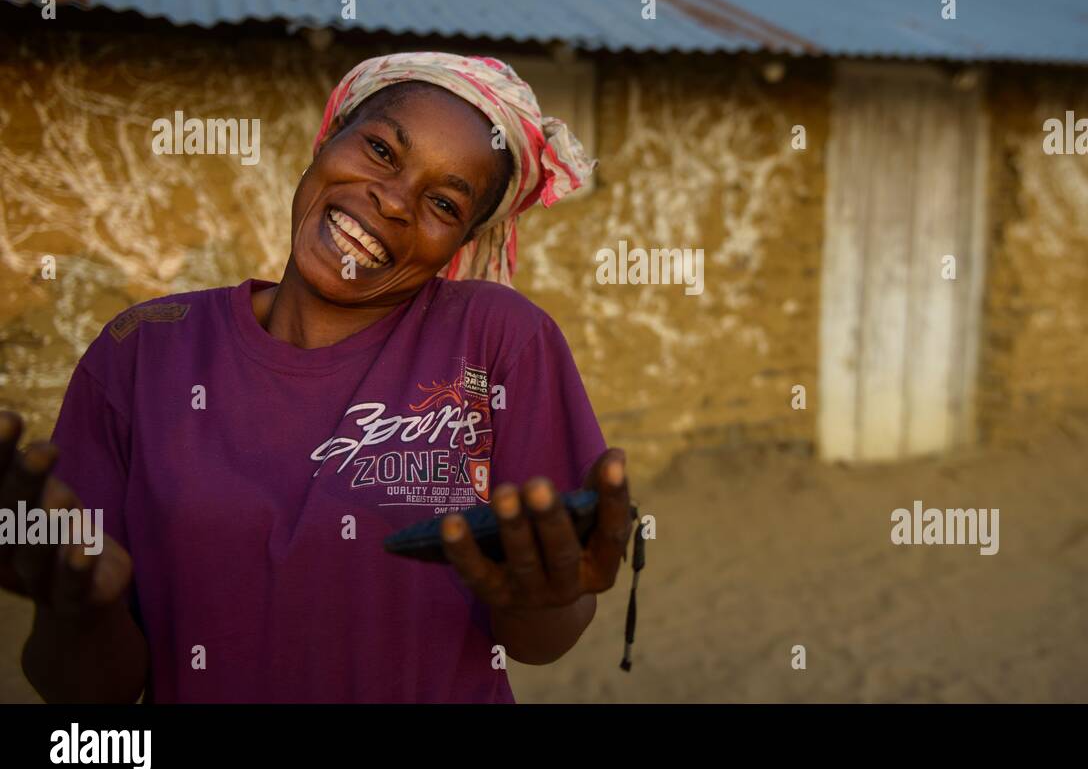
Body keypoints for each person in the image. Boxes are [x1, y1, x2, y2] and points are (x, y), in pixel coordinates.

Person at [0, 51, 633, 702]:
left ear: (461, 242)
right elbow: (81, 690)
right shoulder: (144, 351)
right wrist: (81, 605)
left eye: (443, 201)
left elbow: (540, 635)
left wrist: (543, 597)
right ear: (328, 138)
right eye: (383, 151)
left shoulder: (497, 340)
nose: (392, 199)